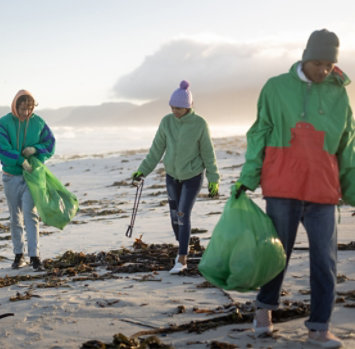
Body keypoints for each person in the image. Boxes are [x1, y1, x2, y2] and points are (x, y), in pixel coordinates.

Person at [236, 29, 354, 348]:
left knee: (325, 261)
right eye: (318, 63)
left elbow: (347, 145)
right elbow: (259, 132)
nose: (324, 70)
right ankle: (264, 312)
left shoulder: (339, 94)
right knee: (277, 256)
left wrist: (352, 190)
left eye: (330, 64)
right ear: (305, 57)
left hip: (323, 190)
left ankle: (319, 328)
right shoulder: (276, 87)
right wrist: (249, 176)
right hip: (283, 186)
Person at [132, 80, 220, 274]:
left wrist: (213, 180)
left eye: (179, 108)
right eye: (172, 107)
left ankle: (182, 259)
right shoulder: (166, 122)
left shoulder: (199, 124)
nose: (175, 111)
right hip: (172, 176)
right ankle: (184, 245)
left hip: (192, 176)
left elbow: (208, 154)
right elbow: (156, 150)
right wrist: (142, 171)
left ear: (188, 106)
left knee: (182, 214)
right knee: (174, 217)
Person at [0, 89, 55, 271]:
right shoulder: (4, 123)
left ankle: (35, 256)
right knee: (15, 217)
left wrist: (35, 150)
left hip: (32, 177)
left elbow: (50, 144)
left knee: (31, 214)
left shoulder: (38, 122)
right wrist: (21, 160)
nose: (25, 113)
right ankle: (18, 255)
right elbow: (0, 149)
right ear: (15, 106)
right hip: (11, 176)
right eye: (22, 109)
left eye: (28, 109)